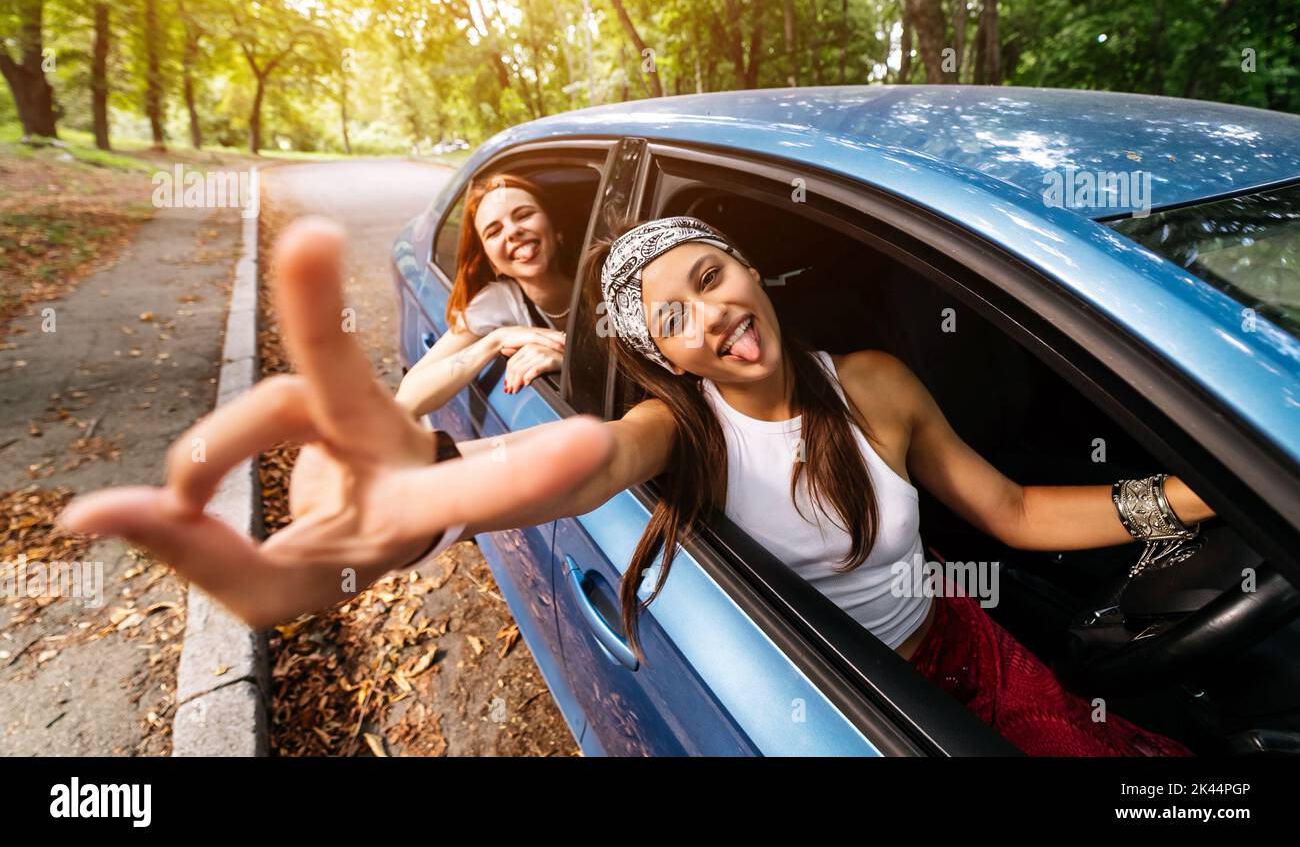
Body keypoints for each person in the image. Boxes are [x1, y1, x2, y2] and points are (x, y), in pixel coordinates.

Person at [56, 215, 1211, 756]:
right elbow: (578, 463)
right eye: (675, 318)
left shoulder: (873, 380)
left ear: (750, 267)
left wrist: (1197, 494)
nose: (713, 313)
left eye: (713, 276)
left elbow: (1014, 513)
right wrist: (430, 492)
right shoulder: (672, 432)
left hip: (966, 645)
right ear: (667, 358)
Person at [395, 173, 571, 419]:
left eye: (524, 215)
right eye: (494, 231)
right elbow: (407, 399)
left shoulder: (605, 282)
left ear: (556, 228)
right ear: (492, 262)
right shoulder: (498, 302)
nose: (512, 231)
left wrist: (571, 363)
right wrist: (496, 340)